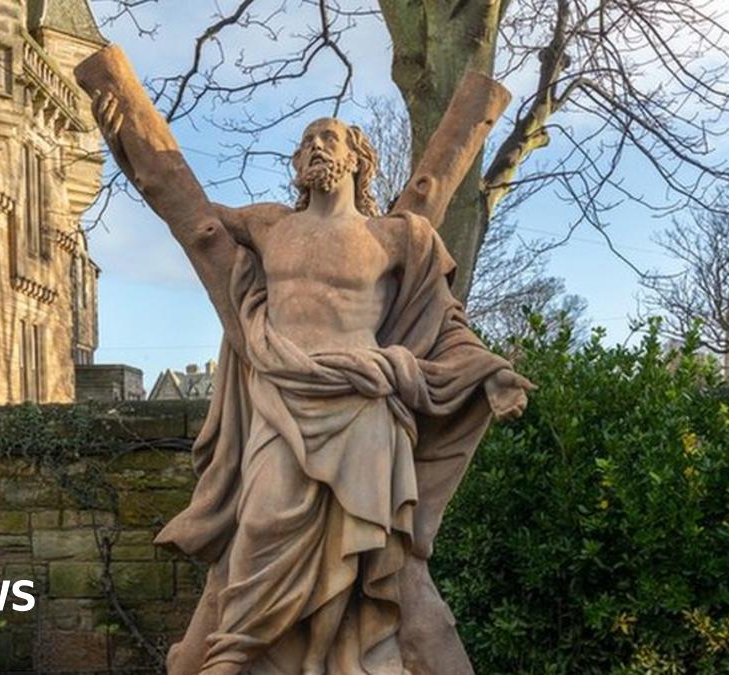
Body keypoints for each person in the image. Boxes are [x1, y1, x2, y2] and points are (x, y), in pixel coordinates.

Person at [91, 79, 530, 675]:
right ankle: (234, 654)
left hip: (366, 410)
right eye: (305, 143)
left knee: (358, 558)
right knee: (260, 531)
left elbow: (444, 322)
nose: (315, 148)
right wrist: (122, 135)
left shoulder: (396, 236)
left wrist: (493, 374)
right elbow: (182, 207)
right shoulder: (270, 225)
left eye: (328, 138)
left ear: (357, 158)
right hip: (284, 398)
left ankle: (329, 661)